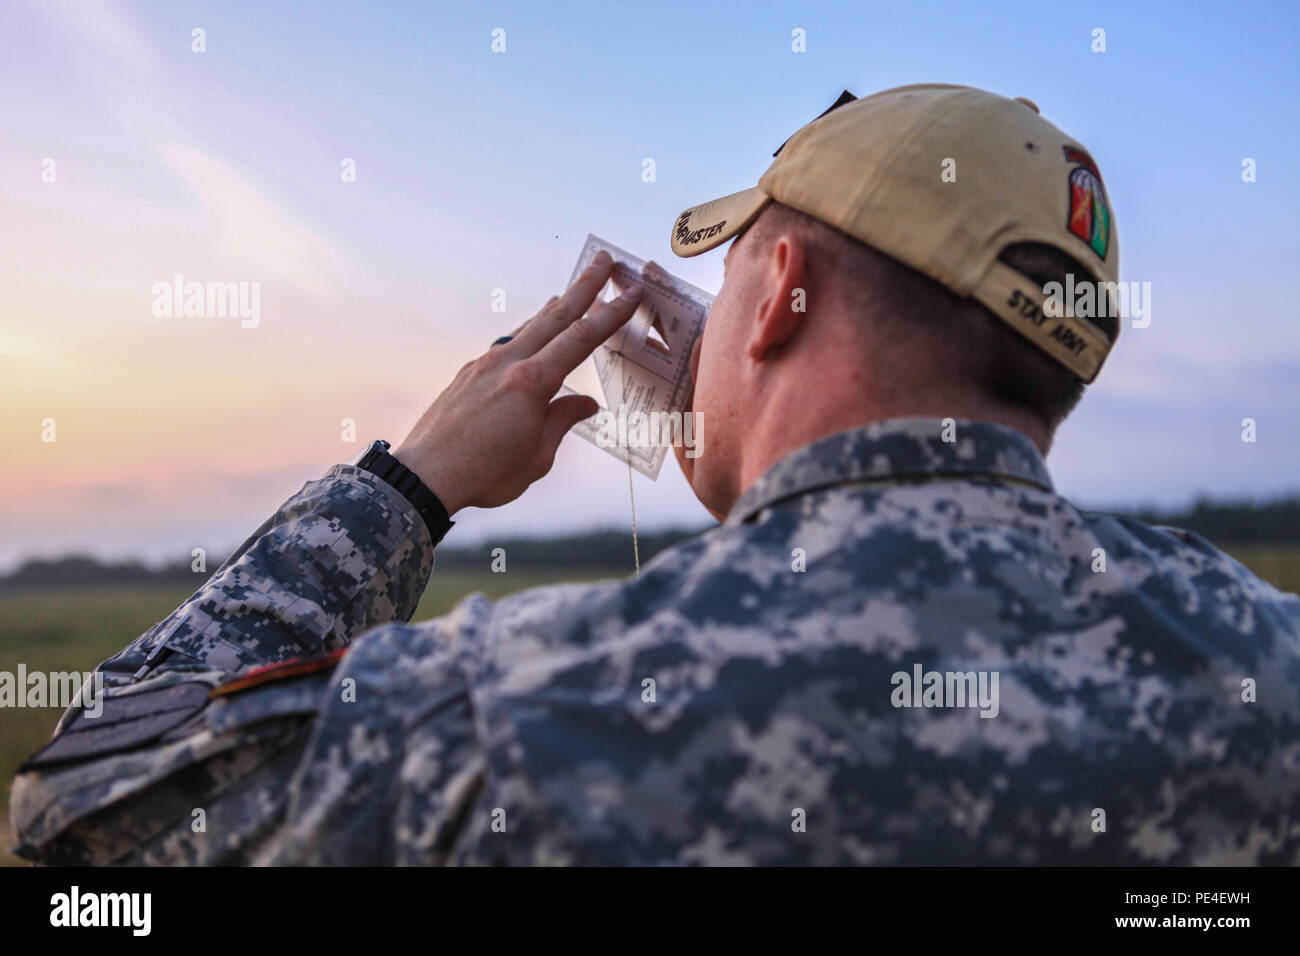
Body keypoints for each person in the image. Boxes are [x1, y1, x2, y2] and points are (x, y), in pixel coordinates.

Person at [11, 84, 1299, 866]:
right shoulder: (1265, 659)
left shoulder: (530, 700)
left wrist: (402, 492)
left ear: (780, 291)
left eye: (729, 269)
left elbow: (82, 818)